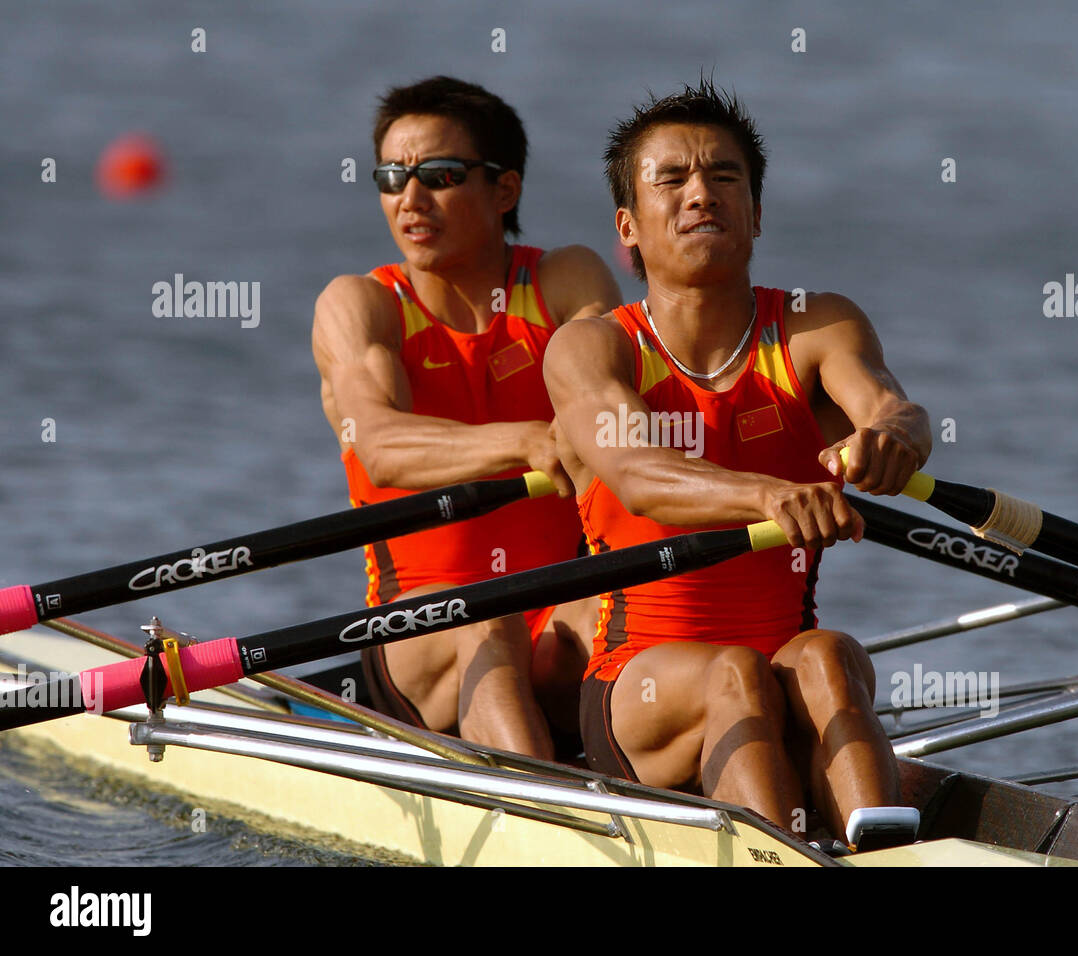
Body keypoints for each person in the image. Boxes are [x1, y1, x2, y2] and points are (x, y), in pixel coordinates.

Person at [543, 79, 932, 846]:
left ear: (755, 213)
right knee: (735, 674)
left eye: (725, 178)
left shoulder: (816, 325)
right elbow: (636, 473)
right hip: (638, 691)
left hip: (785, 672)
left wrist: (892, 441)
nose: (702, 195)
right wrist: (767, 493)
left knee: (831, 654)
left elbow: (892, 406)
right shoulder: (592, 348)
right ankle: (781, 852)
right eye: (672, 180)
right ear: (629, 226)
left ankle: (888, 848)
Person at [311, 76, 621, 759]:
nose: (409, 200)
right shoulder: (363, 306)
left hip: (555, 614)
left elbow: (613, 402)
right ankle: (554, 821)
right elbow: (383, 446)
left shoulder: (565, 281)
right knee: (486, 620)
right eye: (392, 177)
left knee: (655, 622)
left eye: (440, 176)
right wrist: (528, 441)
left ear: (504, 190)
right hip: (417, 634)